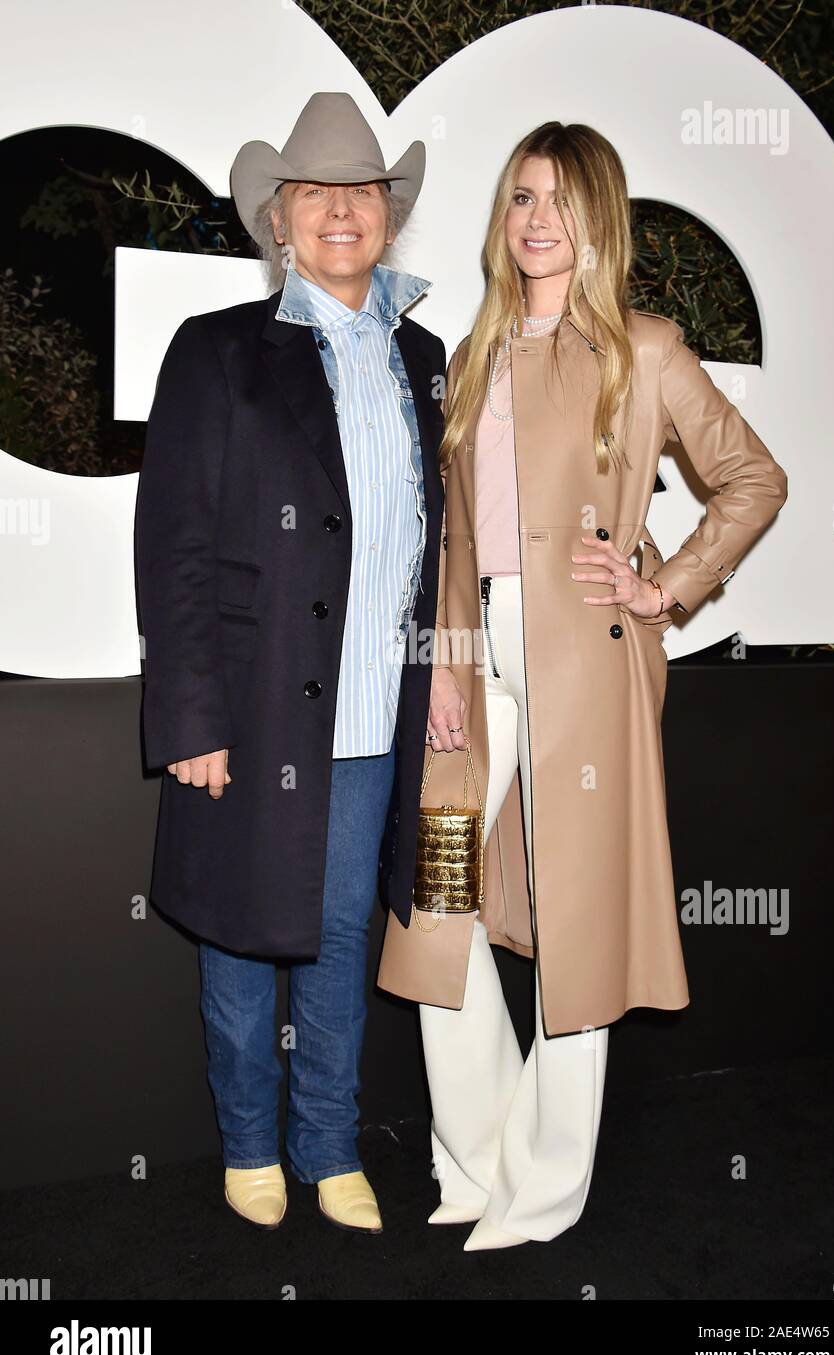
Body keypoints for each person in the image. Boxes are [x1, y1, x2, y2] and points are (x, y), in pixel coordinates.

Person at [377, 120, 788, 1250]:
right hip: (476, 671)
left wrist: (668, 586)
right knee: (437, 911)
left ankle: (548, 1185)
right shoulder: (473, 355)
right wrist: (448, 664)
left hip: (588, 675)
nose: (534, 218)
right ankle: (476, 1156)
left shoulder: (642, 350)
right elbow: (453, 537)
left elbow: (753, 477)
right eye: (518, 196)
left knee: (578, 929)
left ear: (595, 216)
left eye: (556, 198)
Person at [134, 92, 446, 1234]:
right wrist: (191, 720)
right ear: (280, 220)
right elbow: (172, 548)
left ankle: (327, 1142)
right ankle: (252, 1144)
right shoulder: (217, 353)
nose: (339, 210)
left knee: (338, 942)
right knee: (235, 935)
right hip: (254, 713)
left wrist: (445, 668)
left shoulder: (425, 356)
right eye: (314, 192)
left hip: (375, 708)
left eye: (360, 190)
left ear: (389, 215)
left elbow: (436, 538)